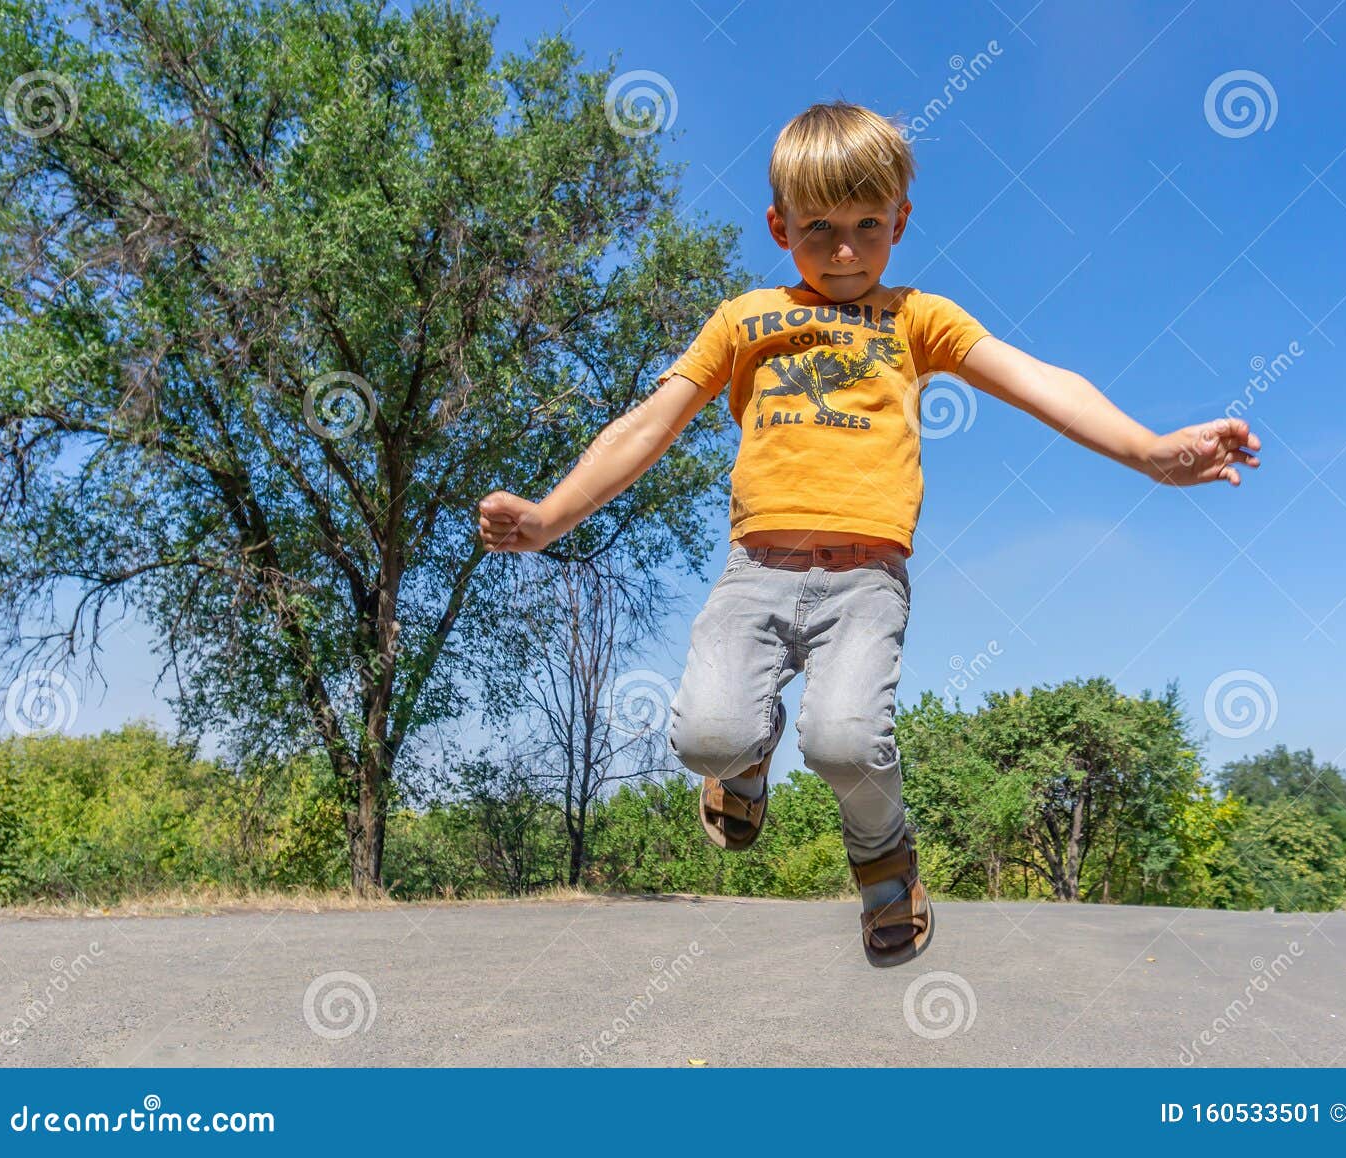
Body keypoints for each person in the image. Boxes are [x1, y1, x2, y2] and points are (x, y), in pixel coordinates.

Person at [477, 101, 1259, 967]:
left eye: (867, 226)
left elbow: (1037, 379)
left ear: (900, 222)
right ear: (779, 227)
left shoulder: (916, 318)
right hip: (757, 572)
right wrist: (550, 516)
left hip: (866, 581)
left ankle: (884, 861)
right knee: (707, 734)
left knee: (845, 742)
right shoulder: (744, 320)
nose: (844, 250)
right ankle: (741, 765)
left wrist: (1148, 451)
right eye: (818, 228)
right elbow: (648, 424)